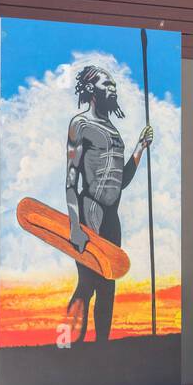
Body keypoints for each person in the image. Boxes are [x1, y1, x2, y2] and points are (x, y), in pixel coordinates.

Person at [64, 65, 152, 342]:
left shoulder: (114, 131)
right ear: (91, 89)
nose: (113, 89)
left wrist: (139, 148)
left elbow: (120, 181)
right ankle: (67, 343)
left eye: (114, 85)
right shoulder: (81, 124)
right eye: (107, 84)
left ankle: (103, 348)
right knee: (88, 283)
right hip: (89, 212)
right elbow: (71, 180)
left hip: (112, 217)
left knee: (108, 286)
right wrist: (75, 227)